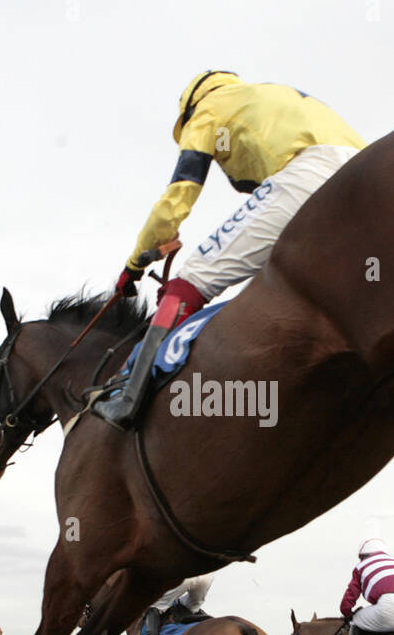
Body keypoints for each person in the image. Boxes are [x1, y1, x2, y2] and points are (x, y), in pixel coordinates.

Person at [94, 70, 367, 429]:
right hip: (366, 177)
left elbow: (179, 194)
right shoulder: (267, 94)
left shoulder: (207, 110)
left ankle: (128, 397)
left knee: (192, 278)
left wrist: (133, 265)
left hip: (309, 174)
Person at [135, 574, 215, 635]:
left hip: (186, 574)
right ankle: (200, 617)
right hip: (207, 575)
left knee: (155, 605)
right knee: (191, 606)